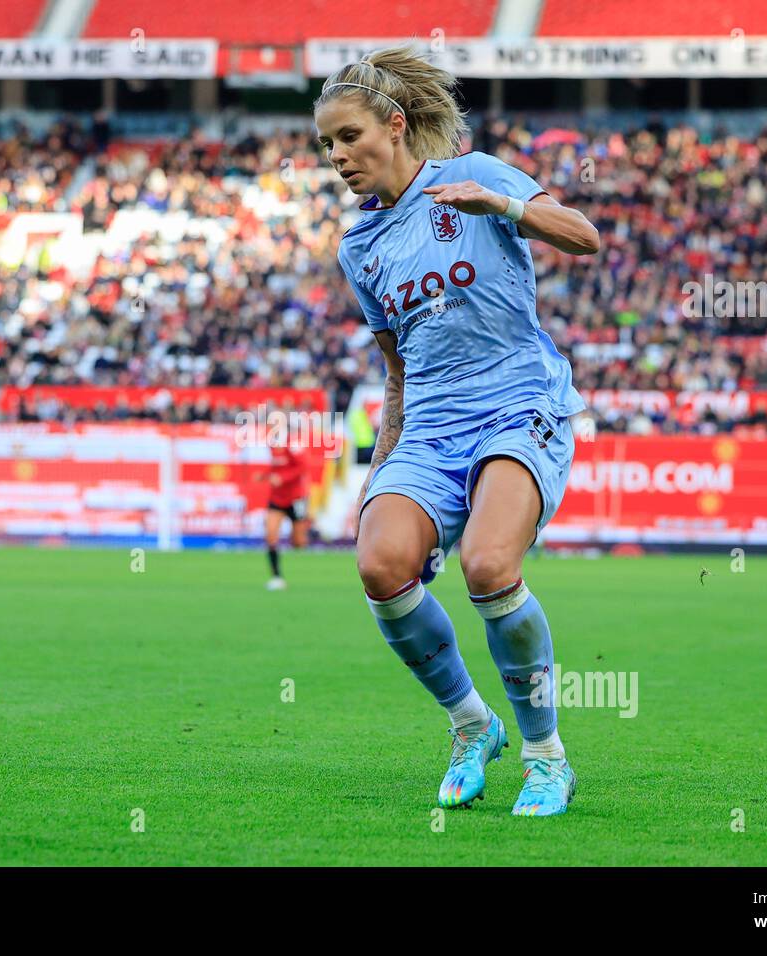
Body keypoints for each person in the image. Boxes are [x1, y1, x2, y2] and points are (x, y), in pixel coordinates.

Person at [320, 46, 600, 815]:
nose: (337, 157)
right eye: (327, 146)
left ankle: (547, 757)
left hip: (518, 406)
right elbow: (397, 372)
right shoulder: (360, 246)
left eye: (347, 137)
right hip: (429, 429)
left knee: (486, 565)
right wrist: (381, 472)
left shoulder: (477, 177)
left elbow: (584, 235)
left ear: (395, 124)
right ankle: (472, 726)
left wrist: (504, 208)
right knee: (379, 563)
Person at [262, 434, 310, 590]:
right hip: (276, 498)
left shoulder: (293, 444)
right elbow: (276, 468)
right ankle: (276, 576)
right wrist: (266, 476)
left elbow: (302, 467)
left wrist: (282, 478)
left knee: (298, 542)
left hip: (296, 498)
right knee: (270, 535)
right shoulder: (271, 444)